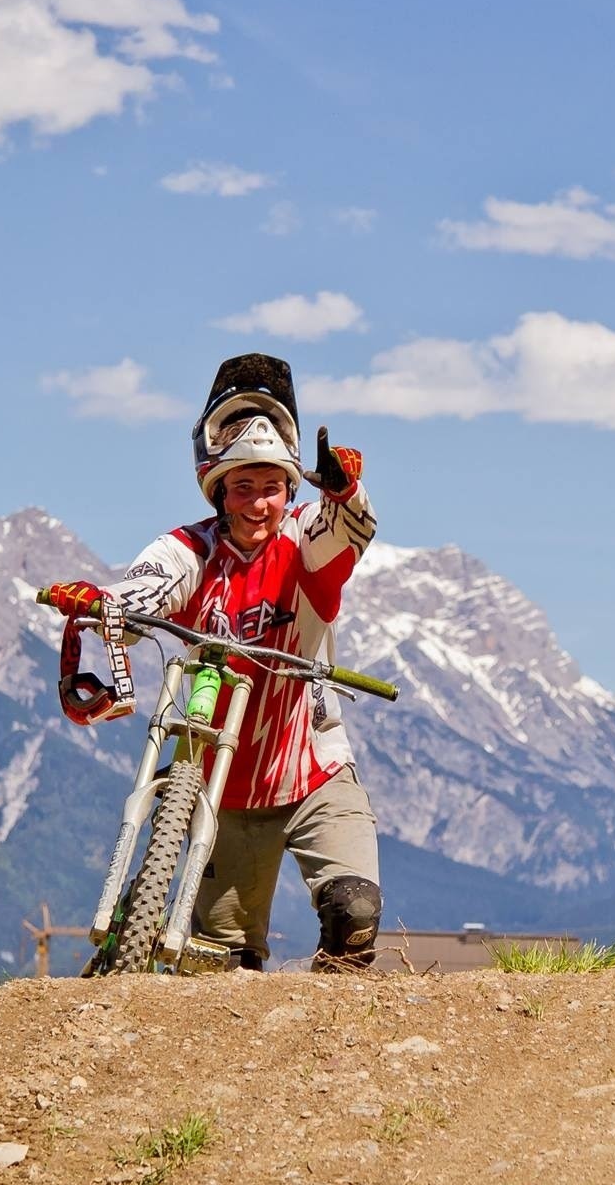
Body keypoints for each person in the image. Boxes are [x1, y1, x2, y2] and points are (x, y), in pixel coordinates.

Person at [44, 354, 385, 970]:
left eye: (272, 488)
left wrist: (343, 490)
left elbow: (347, 530)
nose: (259, 505)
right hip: (221, 784)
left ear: (290, 491)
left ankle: (339, 1034)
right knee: (226, 965)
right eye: (243, 488)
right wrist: (107, 604)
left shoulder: (305, 538)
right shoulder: (189, 547)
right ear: (218, 490)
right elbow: (149, 584)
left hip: (313, 766)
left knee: (353, 910)